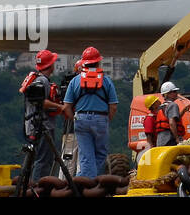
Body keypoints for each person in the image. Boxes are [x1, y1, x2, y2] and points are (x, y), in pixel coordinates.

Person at [62, 46, 117, 178]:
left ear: (84, 63)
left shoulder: (75, 81)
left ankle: (86, 183)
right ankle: (95, 183)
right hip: (101, 119)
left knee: (86, 155)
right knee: (100, 154)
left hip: (81, 119)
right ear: (98, 62)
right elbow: (113, 106)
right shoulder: (107, 80)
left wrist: (74, 118)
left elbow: (66, 106)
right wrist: (106, 119)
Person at [18, 49, 62, 181]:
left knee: (38, 159)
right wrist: (60, 106)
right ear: (51, 65)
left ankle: (33, 184)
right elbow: (42, 102)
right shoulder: (43, 81)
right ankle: (38, 186)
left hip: (32, 125)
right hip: (43, 126)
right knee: (43, 160)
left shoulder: (35, 80)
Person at [155, 82, 184, 147]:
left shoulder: (161, 107)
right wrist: (177, 139)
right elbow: (171, 123)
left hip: (161, 142)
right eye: (174, 91)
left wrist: (184, 111)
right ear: (168, 94)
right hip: (170, 141)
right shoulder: (173, 105)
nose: (176, 93)